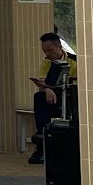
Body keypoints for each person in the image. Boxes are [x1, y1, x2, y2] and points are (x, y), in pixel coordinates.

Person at [28, 31, 79, 164]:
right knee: (39, 97)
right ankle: (41, 138)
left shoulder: (75, 61)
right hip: (54, 98)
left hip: (71, 97)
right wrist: (47, 89)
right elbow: (43, 82)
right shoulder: (46, 62)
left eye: (50, 50)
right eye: (44, 51)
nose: (47, 54)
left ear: (59, 47)